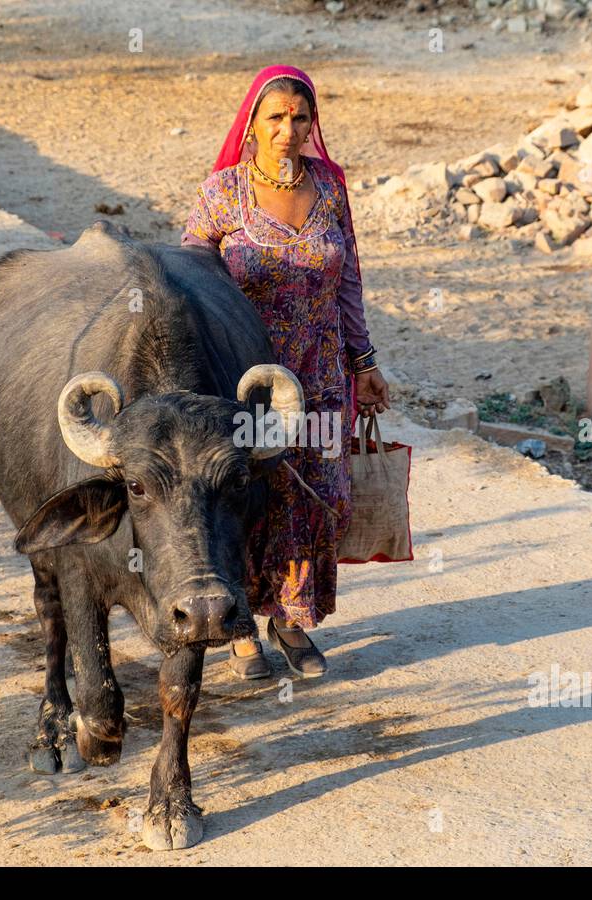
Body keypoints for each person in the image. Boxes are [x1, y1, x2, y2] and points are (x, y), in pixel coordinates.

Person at [180, 64, 390, 681]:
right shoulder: (222, 193)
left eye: (300, 117)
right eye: (275, 116)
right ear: (252, 122)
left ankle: (291, 617)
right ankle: (242, 621)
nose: (288, 129)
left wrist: (366, 361)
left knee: (318, 495)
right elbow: (189, 280)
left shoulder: (330, 186)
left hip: (323, 375)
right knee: (247, 493)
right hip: (245, 378)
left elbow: (348, 275)